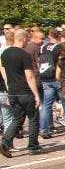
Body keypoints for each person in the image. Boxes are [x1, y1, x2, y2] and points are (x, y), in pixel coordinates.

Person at [0, 28, 44, 156]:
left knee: (17, 119)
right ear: (24, 39)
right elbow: (29, 76)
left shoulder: (5, 54)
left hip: (13, 90)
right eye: (27, 39)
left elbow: (5, 74)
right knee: (33, 118)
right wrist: (36, 94)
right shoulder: (24, 55)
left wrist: (9, 90)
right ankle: (33, 146)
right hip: (25, 91)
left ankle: (5, 141)